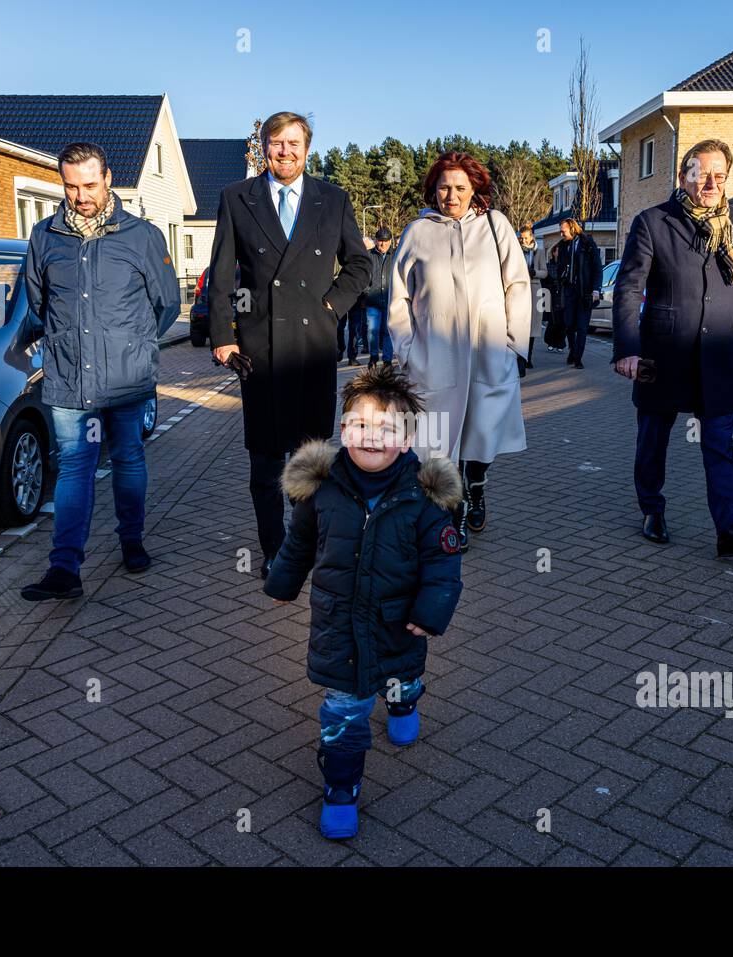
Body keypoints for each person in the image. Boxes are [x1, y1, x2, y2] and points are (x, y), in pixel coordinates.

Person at [264, 365, 463, 839]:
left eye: (385, 428)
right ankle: (340, 786)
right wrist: (282, 582)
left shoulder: (424, 496)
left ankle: (404, 702)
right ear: (342, 429)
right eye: (358, 424)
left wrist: (431, 612)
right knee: (343, 709)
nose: (370, 437)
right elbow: (300, 543)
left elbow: (442, 565)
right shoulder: (322, 487)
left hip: (400, 624)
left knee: (402, 679)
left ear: (407, 438)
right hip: (337, 626)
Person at [208, 111, 372, 579]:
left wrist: (329, 308)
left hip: (312, 347)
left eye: (294, 143)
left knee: (312, 457)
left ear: (308, 148)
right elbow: (222, 273)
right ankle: (274, 550)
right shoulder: (236, 197)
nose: (285, 151)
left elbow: (360, 266)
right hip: (258, 349)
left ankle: (310, 544)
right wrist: (222, 334)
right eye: (276, 143)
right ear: (264, 147)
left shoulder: (333, 199)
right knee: (264, 462)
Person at [20, 142, 181, 600]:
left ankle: (131, 539)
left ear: (108, 178)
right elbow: (37, 301)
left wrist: (135, 341)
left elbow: (166, 302)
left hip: (126, 378)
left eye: (90, 184)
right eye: (71, 186)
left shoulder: (142, 236)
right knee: (75, 466)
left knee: (128, 458)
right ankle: (65, 569)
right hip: (70, 378)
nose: (81, 195)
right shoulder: (44, 236)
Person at [612, 138, 733, 558]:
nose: (711, 183)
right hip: (662, 353)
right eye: (702, 175)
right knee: (653, 441)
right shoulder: (653, 222)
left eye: (720, 175)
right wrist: (626, 348)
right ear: (684, 177)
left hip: (718, 355)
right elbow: (629, 289)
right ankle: (652, 509)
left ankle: (729, 529)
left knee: (720, 444)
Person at [388, 151, 530, 551]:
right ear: (433, 189)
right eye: (445, 187)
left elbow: (518, 285)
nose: (452, 195)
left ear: (475, 190)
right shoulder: (417, 232)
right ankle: (453, 517)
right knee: (435, 444)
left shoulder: (495, 225)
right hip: (433, 359)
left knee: (481, 436)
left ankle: (476, 488)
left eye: (460, 188)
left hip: (487, 352)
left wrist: (513, 347)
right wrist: (407, 352)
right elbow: (399, 298)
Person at [556, 218, 602, 369]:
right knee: (569, 324)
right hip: (569, 290)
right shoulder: (563, 245)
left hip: (585, 291)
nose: (561, 233)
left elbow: (597, 268)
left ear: (572, 229)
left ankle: (578, 358)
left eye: (563, 230)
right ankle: (573, 350)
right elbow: (559, 266)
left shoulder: (587, 243)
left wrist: (596, 289)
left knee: (582, 327)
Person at [365, 226, 395, 368]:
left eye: (386, 241)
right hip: (373, 300)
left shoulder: (395, 255)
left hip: (390, 299)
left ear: (390, 241)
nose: (383, 244)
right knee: (372, 330)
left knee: (387, 331)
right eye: (380, 241)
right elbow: (362, 276)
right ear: (375, 241)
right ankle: (373, 357)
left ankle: (387, 360)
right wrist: (367, 291)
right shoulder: (368, 255)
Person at [518, 224, 543, 368]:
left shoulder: (539, 252)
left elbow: (544, 272)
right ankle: (520, 355)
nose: (523, 241)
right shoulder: (517, 251)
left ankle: (528, 357)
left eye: (526, 238)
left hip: (535, 289)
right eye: (521, 238)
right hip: (521, 289)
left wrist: (535, 273)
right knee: (521, 323)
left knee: (533, 325)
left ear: (531, 237)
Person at [541, 244, 566, 352]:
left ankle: (560, 343)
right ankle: (550, 342)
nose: (559, 254)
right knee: (552, 321)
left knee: (562, 321)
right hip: (550, 296)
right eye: (558, 251)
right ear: (553, 253)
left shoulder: (565, 266)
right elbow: (544, 284)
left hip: (562, 296)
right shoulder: (548, 266)